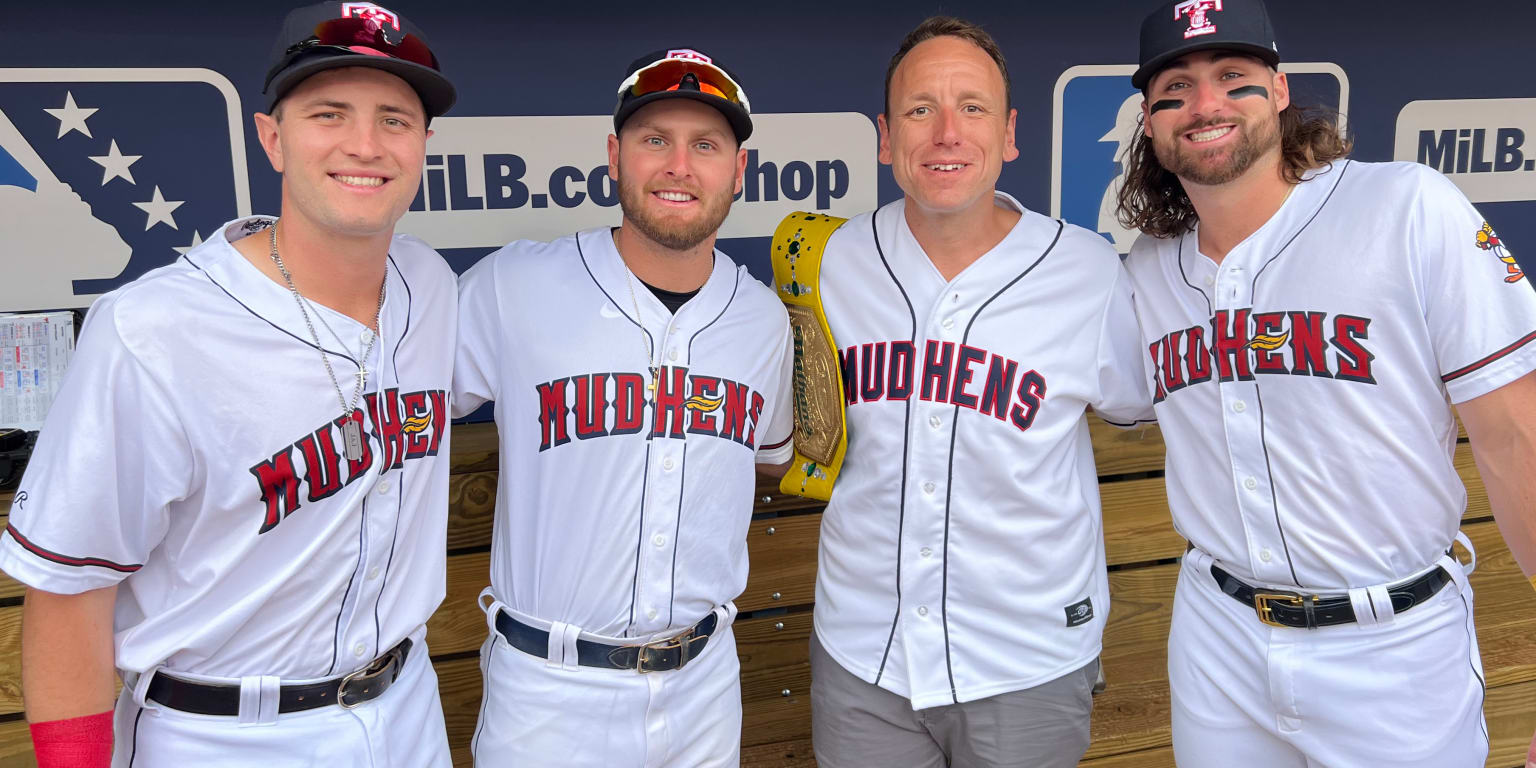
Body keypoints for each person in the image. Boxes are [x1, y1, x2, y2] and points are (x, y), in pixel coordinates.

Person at [0, 3, 459, 765]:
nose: (364, 145)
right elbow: (66, 603)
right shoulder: (151, 329)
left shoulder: (430, 286)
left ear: (423, 147)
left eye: (395, 120)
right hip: (223, 731)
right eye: (329, 113)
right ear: (272, 137)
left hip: (409, 711)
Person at [1116, 1, 1536, 765]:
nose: (1204, 104)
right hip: (1219, 642)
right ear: (1150, 121)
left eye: (1233, 77)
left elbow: (1517, 436)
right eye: (1175, 89)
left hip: (1394, 651)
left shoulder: (1405, 206)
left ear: (1279, 91)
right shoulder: (1147, 272)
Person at [797, 17, 1153, 768]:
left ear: (1011, 133)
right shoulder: (825, 263)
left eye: (973, 107)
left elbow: (1137, 404)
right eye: (920, 109)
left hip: (1024, 661)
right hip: (865, 657)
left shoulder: (1087, 273)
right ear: (886, 139)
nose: (947, 132)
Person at [452, 47, 794, 767]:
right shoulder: (513, 286)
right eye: (654, 140)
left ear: (738, 170)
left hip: (704, 686)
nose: (678, 165)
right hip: (549, 690)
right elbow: (397, 413)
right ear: (615, 155)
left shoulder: (762, 321)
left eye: (705, 144)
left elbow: (769, 457)